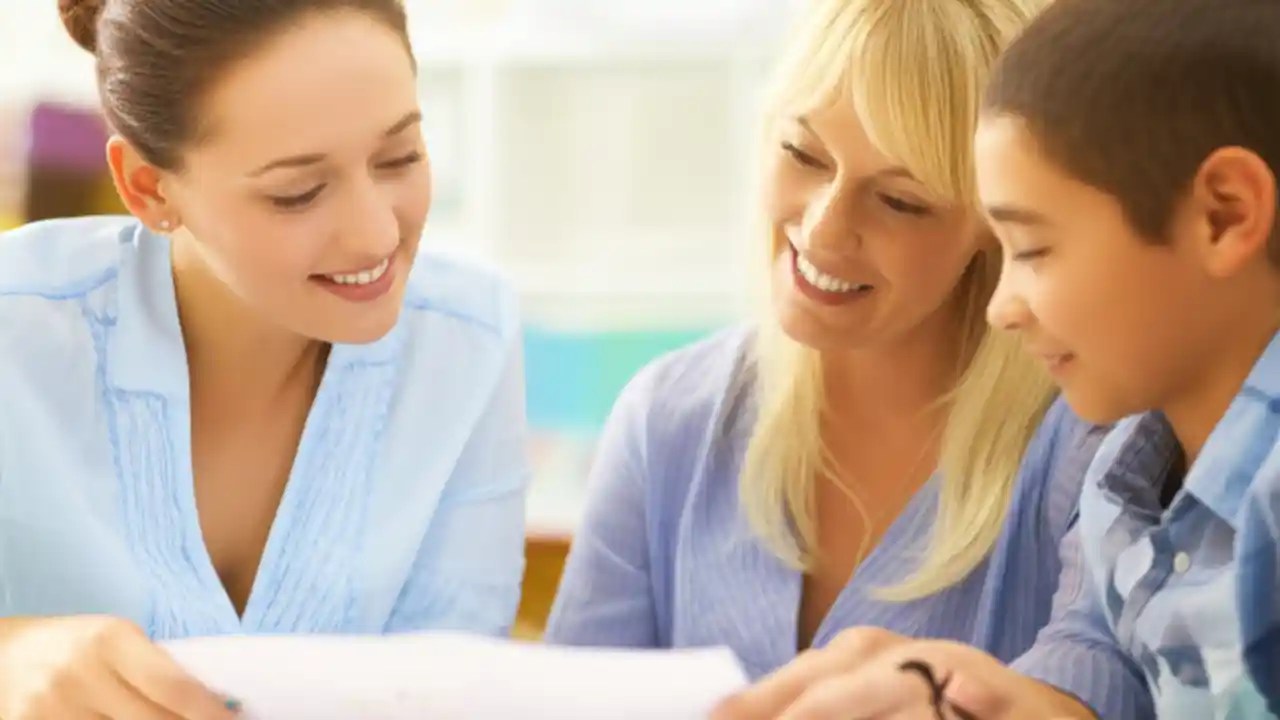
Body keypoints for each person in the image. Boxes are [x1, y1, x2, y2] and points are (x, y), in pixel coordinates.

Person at [545, 0, 1126, 711]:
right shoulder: (668, 418)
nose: (822, 232)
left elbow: (1103, 680)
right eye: (802, 154)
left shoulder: (1090, 443)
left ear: (994, 222)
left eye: (900, 201)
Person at [711, 0, 1280, 717]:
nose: (1000, 306)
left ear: (1224, 215)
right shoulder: (1128, 485)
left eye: (1034, 250)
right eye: (801, 153)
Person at [0, 0, 529, 717]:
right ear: (148, 188)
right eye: (297, 194)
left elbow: (452, 681)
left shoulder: (466, 342)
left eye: (400, 157)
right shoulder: (18, 330)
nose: (377, 237)